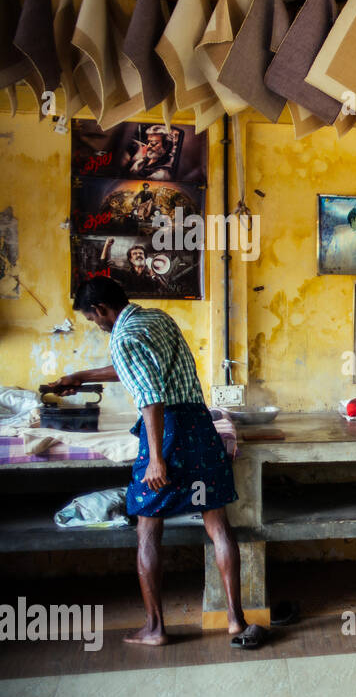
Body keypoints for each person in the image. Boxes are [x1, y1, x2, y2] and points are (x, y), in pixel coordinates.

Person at [45, 277, 265, 649]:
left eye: (91, 318)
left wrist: (157, 459)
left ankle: (154, 627)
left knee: (148, 529)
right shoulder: (157, 319)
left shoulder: (123, 336)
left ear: (100, 310)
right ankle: (235, 620)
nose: (95, 325)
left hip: (166, 431)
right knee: (216, 521)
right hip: (200, 424)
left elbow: (150, 398)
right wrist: (79, 377)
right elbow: (135, 371)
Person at [326, 205, 356, 272]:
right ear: (352, 220)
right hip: (339, 272)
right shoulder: (339, 230)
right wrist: (330, 268)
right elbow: (331, 251)